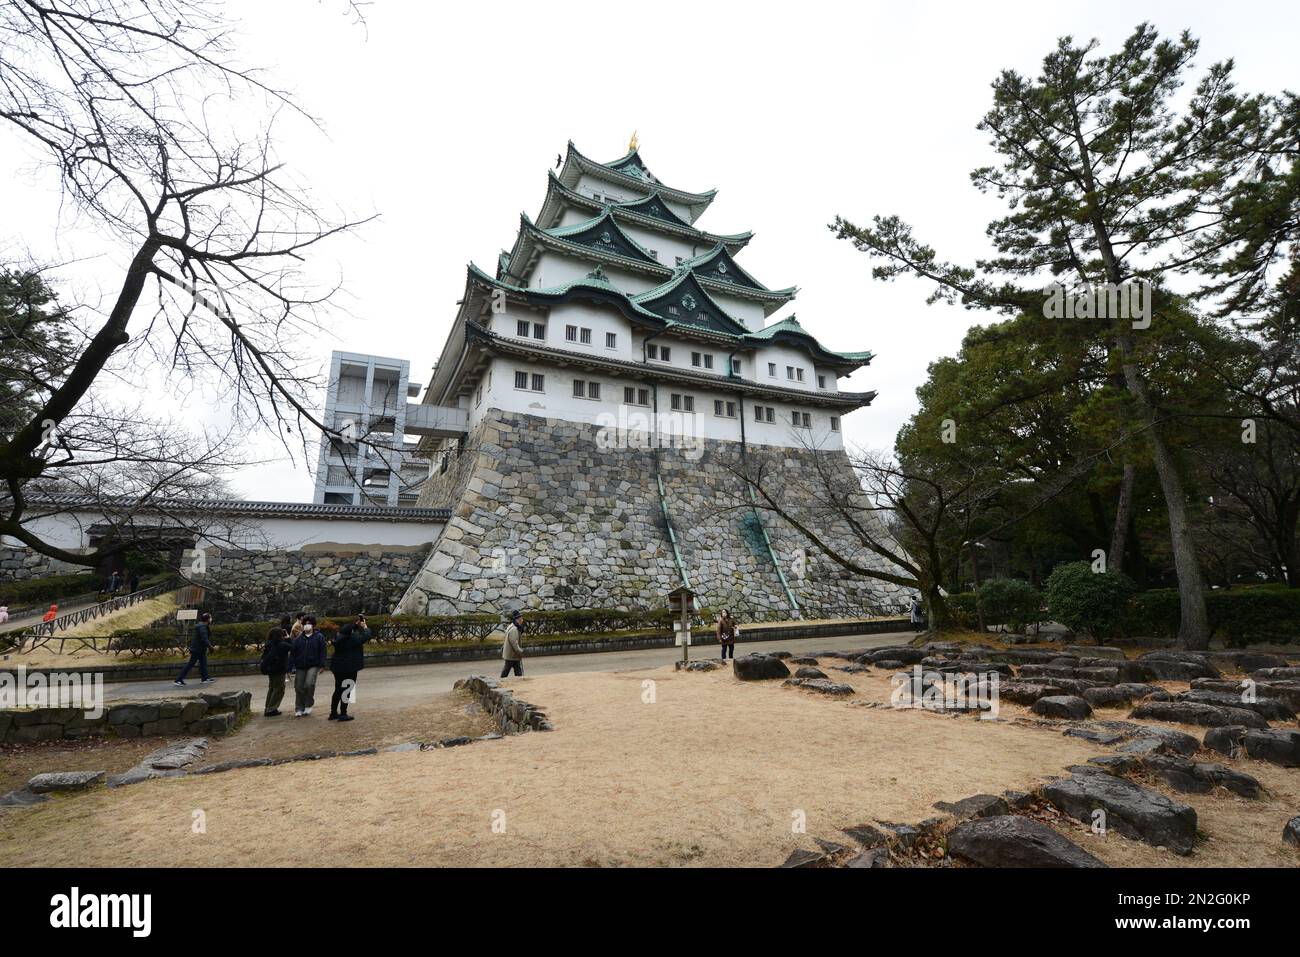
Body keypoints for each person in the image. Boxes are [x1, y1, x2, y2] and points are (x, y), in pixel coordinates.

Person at [329, 614, 372, 721]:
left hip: (337, 667)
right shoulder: (352, 639)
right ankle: (343, 713)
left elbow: (348, 630)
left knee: (338, 689)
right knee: (347, 689)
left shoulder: (338, 638)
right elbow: (366, 636)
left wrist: (356, 624)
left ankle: (333, 713)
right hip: (350, 667)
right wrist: (365, 627)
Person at [291, 616, 326, 716]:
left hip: (313, 664)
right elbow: (293, 653)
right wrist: (290, 667)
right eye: (305, 624)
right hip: (300, 665)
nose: (307, 625)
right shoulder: (299, 638)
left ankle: (308, 704)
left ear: (313, 625)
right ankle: (299, 707)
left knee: (309, 684)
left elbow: (322, 651)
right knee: (299, 687)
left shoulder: (319, 637)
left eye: (309, 623)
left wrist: (322, 664)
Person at [260, 626, 293, 716]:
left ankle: (268, 707)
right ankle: (272, 709)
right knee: (279, 689)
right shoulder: (282, 644)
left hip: (270, 670)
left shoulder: (268, 644)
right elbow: (293, 647)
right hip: (279, 670)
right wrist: (288, 638)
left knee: (272, 688)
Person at [175, 612, 215, 685]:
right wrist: (210, 647)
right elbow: (204, 638)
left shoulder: (202, 626)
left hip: (200, 649)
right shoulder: (202, 627)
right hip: (197, 649)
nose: (211, 619)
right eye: (210, 618)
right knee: (190, 664)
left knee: (203, 663)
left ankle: (205, 678)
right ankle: (178, 680)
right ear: (207, 619)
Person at [500, 610, 524, 677]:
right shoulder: (514, 629)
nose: (522, 620)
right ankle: (501, 680)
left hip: (512, 654)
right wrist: (520, 651)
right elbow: (514, 643)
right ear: (518, 619)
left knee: (517, 669)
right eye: (521, 618)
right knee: (506, 670)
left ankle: (520, 680)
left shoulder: (512, 626)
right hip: (511, 654)